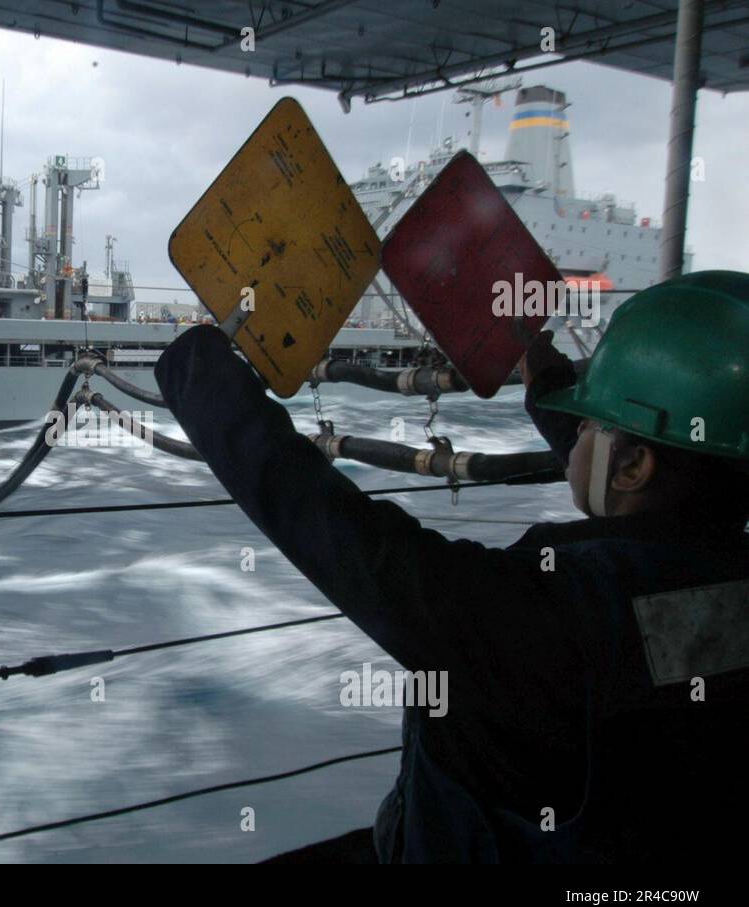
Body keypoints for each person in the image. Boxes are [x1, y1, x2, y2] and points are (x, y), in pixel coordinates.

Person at [153, 270, 749, 863]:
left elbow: (347, 542)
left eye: (592, 422)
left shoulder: (559, 615)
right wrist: (545, 382)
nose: (581, 437)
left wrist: (202, 379)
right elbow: (666, 509)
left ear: (633, 467)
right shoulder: (708, 573)